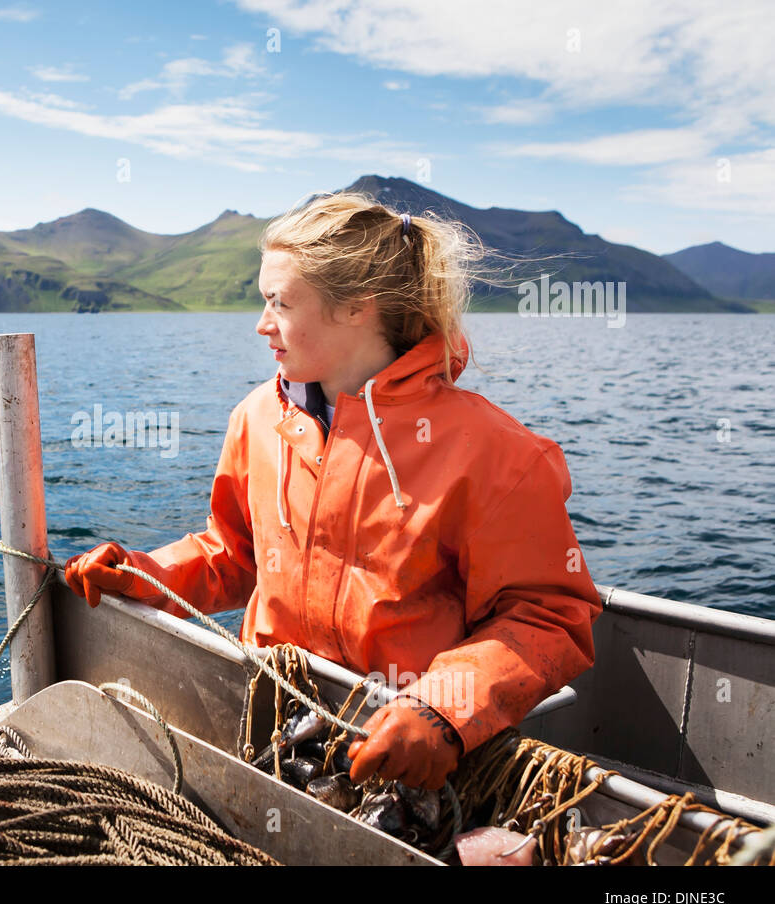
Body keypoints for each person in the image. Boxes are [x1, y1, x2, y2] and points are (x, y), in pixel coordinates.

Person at [63, 191, 602, 792]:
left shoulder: (497, 452)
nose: (262, 324)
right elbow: (235, 554)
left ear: (356, 308)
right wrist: (147, 574)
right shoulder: (256, 419)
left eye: (279, 303)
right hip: (267, 733)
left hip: (410, 762)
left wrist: (444, 711)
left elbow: (549, 616)